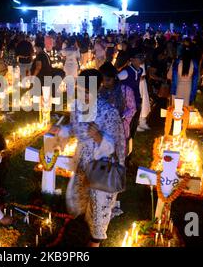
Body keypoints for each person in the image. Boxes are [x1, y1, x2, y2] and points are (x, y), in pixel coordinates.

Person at [50, 69, 126, 247]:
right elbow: (75, 129)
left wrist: (100, 138)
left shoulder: (109, 111)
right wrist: (61, 131)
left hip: (102, 163)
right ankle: (82, 232)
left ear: (97, 88)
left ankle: (95, 241)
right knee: (81, 199)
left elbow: (118, 144)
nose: (84, 94)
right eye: (81, 89)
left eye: (87, 90)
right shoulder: (77, 106)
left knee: (99, 203)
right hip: (83, 159)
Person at [118, 48, 144, 154]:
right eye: (138, 58)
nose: (141, 60)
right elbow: (115, 81)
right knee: (128, 123)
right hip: (127, 102)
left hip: (137, 98)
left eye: (141, 57)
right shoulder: (125, 72)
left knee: (134, 122)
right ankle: (126, 145)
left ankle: (130, 142)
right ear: (132, 60)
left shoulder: (140, 70)